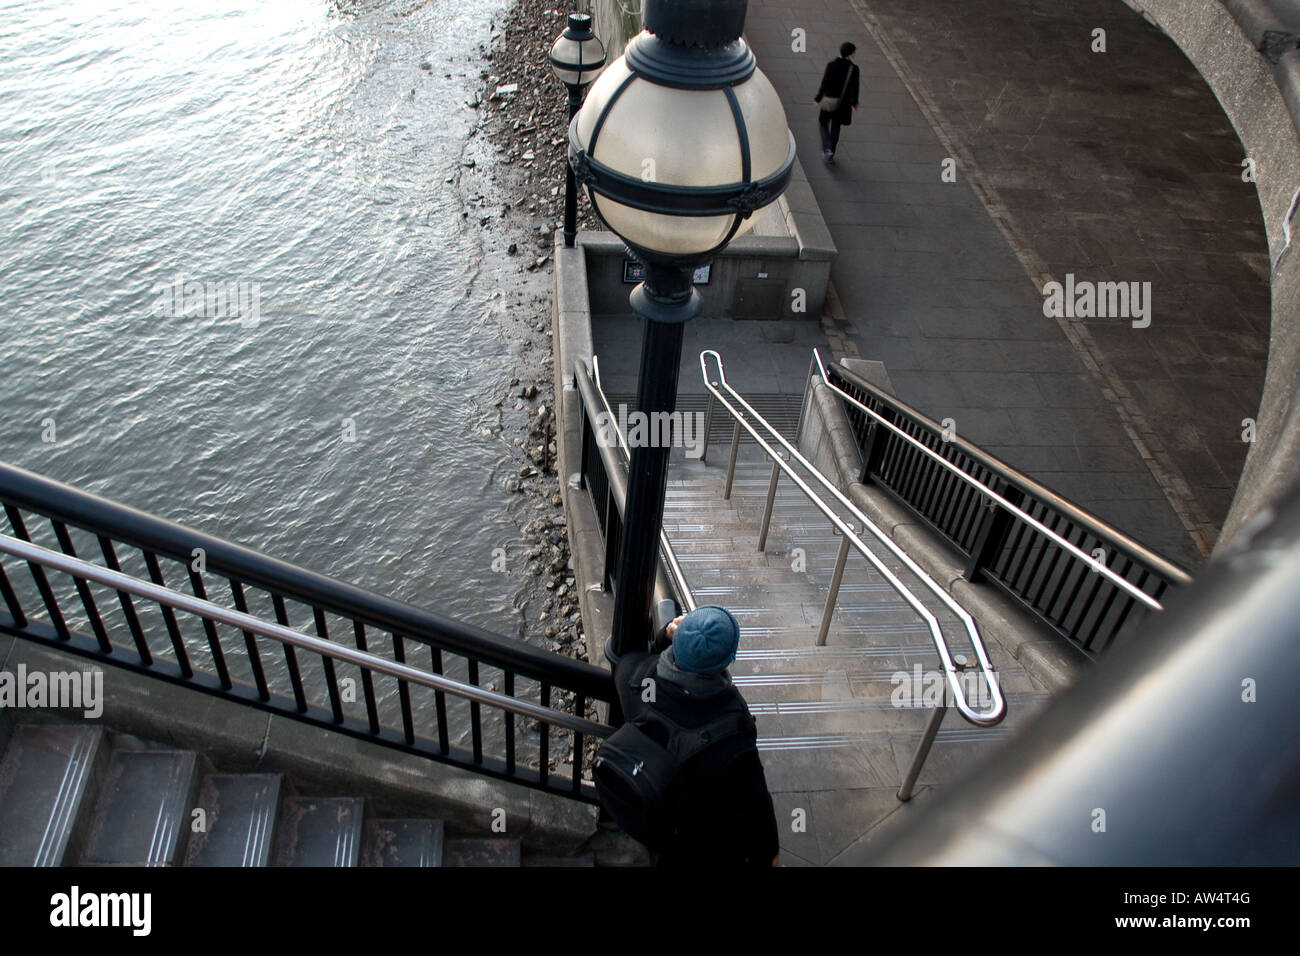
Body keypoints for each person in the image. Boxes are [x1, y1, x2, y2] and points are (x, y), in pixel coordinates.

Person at [610, 604, 779, 867]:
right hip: (695, 835)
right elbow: (754, 806)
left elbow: (632, 664)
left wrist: (662, 638)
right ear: (727, 661)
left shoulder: (636, 679)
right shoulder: (733, 730)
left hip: (650, 802)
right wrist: (768, 855)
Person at [814, 41, 860, 165]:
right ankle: (831, 153)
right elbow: (855, 88)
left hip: (829, 100)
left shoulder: (832, 65)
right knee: (836, 126)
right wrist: (854, 103)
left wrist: (818, 98)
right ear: (851, 54)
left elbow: (825, 83)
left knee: (823, 123)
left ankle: (827, 147)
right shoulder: (854, 69)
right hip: (843, 104)